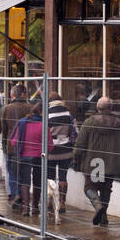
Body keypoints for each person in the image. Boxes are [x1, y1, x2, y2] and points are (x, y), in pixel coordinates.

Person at [72, 96, 120, 226]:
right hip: (112, 162)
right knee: (106, 188)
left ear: (97, 108)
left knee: (90, 187)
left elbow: (80, 143)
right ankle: (104, 217)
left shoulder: (89, 122)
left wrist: (76, 157)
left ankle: (98, 206)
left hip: (94, 161)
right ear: (111, 108)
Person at [0, 85, 32, 209]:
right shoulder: (30, 108)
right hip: (27, 145)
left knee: (12, 172)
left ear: (12, 95)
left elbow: (3, 127)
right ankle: (24, 198)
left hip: (12, 145)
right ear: (23, 94)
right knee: (25, 173)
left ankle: (16, 195)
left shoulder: (6, 108)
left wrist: (5, 142)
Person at [44, 93, 76, 221]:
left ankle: (51, 203)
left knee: (50, 177)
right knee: (63, 176)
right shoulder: (69, 114)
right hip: (66, 150)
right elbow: (75, 132)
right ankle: (62, 202)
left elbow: (43, 132)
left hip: (51, 150)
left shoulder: (47, 114)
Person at [13, 102, 46, 217]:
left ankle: (26, 208)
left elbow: (13, 141)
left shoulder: (22, 122)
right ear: (42, 112)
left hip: (24, 156)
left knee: (24, 181)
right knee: (38, 182)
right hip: (38, 157)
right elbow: (50, 145)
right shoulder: (43, 124)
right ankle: (35, 207)